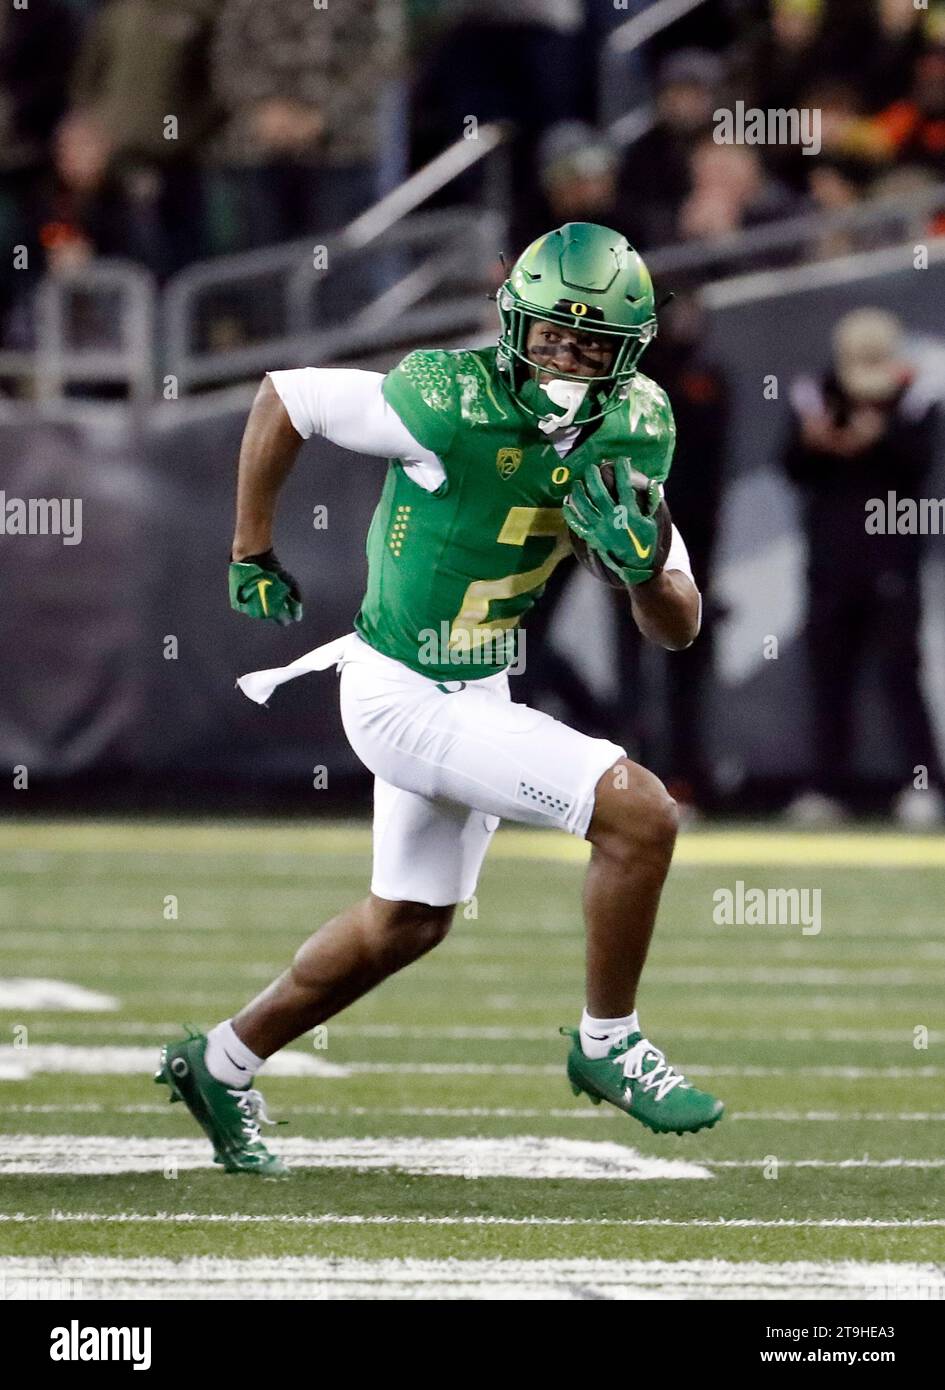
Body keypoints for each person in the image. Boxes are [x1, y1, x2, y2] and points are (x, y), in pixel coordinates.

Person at [154, 222, 724, 1176]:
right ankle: (608, 1041)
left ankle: (219, 1062)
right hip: (399, 691)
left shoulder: (640, 423)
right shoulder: (443, 398)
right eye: (551, 336)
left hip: (477, 680)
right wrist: (251, 547)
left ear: (629, 353)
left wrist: (639, 576)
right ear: (512, 326)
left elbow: (679, 627)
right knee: (640, 815)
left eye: (592, 345)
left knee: (407, 922)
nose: (569, 360)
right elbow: (285, 396)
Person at [783, 308, 944, 826]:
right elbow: (791, 465)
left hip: (892, 562)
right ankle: (827, 786)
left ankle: (922, 781)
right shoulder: (818, 395)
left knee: (901, 673)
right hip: (830, 561)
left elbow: (919, 464)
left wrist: (881, 436)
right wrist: (818, 442)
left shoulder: (916, 401)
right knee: (829, 677)